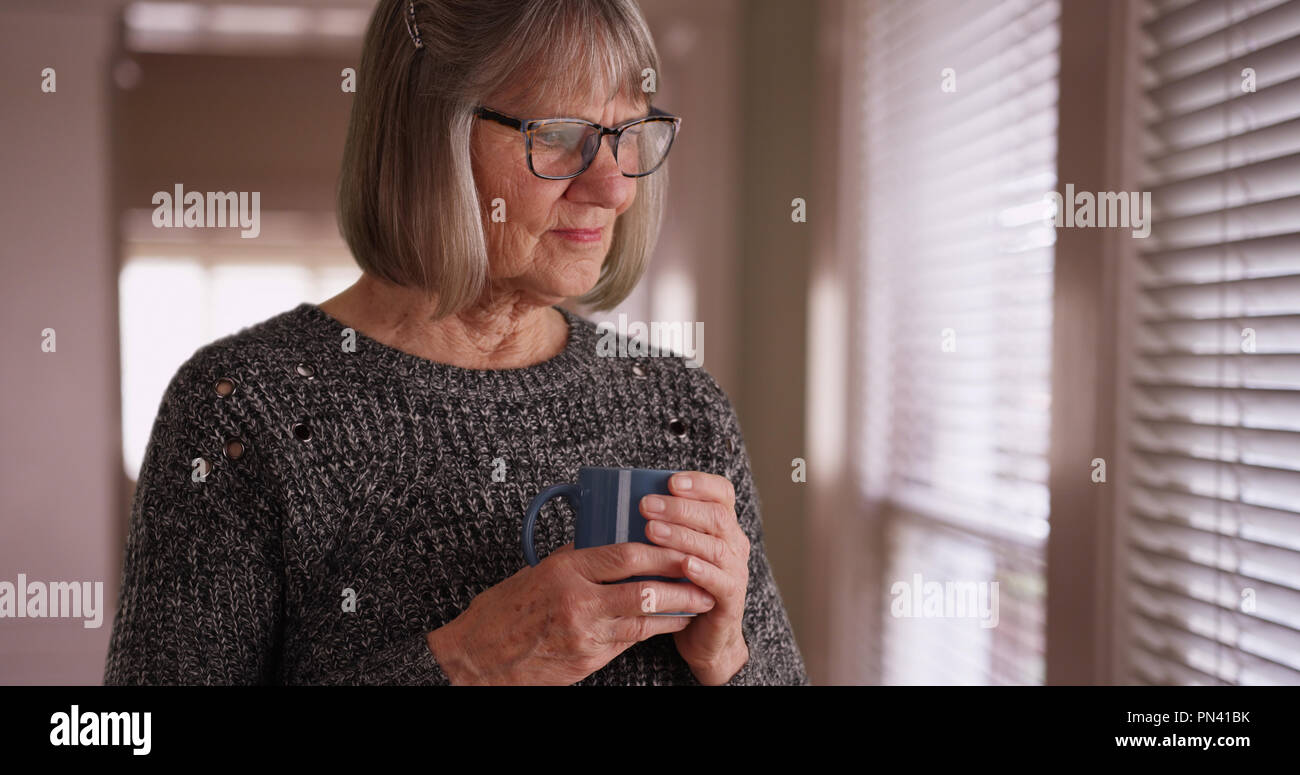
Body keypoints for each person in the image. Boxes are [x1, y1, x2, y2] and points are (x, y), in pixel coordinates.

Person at [104, 0, 808, 685]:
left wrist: (728, 661)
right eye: (559, 134)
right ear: (427, 137)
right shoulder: (243, 411)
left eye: (627, 132)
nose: (615, 188)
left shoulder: (681, 409)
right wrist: (462, 666)